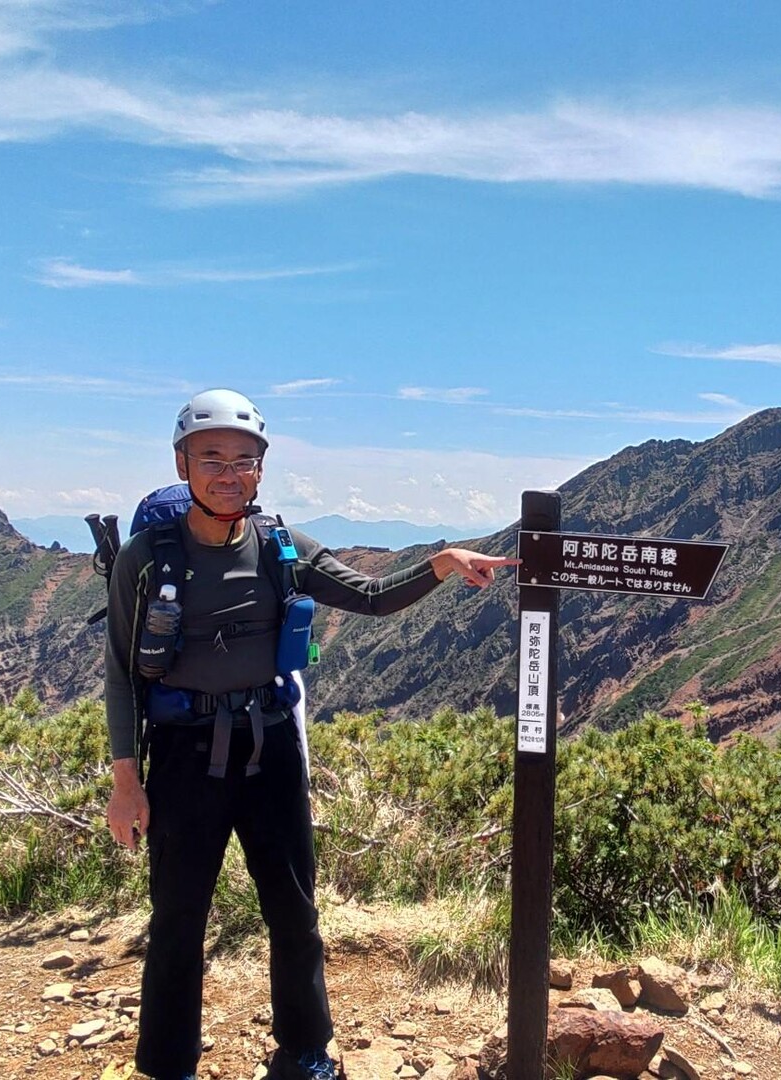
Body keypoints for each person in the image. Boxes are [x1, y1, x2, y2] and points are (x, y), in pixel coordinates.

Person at [102, 388, 516, 1080]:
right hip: (182, 754)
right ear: (182, 464)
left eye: (244, 460)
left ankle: (305, 1051)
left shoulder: (281, 546)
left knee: (293, 910)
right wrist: (126, 783)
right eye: (212, 459)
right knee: (177, 918)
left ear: (261, 468)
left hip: (271, 747)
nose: (229, 473)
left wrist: (442, 563)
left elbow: (372, 597)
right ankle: (169, 1064)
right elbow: (120, 671)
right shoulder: (145, 558)